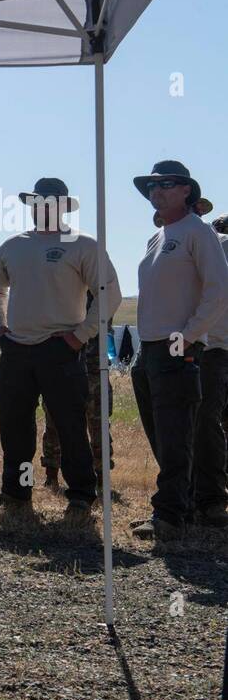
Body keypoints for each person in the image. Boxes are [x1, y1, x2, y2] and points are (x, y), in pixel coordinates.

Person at [0, 177, 121, 523]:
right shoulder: (13, 246)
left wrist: (81, 335)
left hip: (61, 349)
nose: (43, 208)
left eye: (50, 203)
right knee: (16, 428)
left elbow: (109, 293)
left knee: (70, 426)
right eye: (38, 202)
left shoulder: (82, 245)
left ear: (62, 207)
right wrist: (0, 329)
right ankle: (17, 492)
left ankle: (79, 497)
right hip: (16, 350)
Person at [130, 161, 228, 540]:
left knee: (177, 432)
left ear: (187, 190)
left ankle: (170, 516)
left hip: (177, 345)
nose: (157, 191)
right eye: (152, 185)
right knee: (161, 430)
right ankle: (180, 500)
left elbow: (218, 290)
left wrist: (189, 337)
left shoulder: (198, 233)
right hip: (149, 347)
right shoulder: (158, 237)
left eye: (166, 184)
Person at [42, 291, 113, 490]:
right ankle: (52, 475)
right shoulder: (66, 288)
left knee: (97, 426)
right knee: (54, 424)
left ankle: (101, 478)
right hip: (66, 366)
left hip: (92, 368)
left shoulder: (99, 291)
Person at [193, 224, 228, 527]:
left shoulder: (214, 245)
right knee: (209, 423)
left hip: (214, 347)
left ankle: (211, 498)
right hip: (214, 346)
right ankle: (210, 497)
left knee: (206, 422)